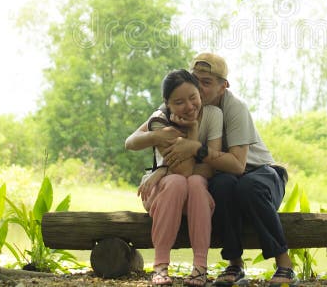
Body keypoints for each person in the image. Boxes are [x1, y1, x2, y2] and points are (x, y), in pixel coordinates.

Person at [162, 53, 296, 286]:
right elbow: (142, 132)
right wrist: (158, 171)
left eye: (206, 82)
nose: (199, 88)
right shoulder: (184, 102)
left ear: (223, 86)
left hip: (261, 173)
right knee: (221, 184)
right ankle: (235, 264)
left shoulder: (235, 107)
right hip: (227, 178)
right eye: (195, 80)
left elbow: (238, 165)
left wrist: (196, 148)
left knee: (248, 186)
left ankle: (285, 265)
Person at [125, 69, 223, 287]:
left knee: (195, 182)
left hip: (194, 195)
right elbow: (131, 142)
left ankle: (200, 267)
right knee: (177, 181)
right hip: (163, 193)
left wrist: (161, 170)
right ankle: (160, 266)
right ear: (167, 104)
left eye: (193, 97)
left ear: (199, 93)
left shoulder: (213, 115)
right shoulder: (162, 121)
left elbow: (209, 167)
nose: (189, 106)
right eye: (179, 102)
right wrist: (157, 136)